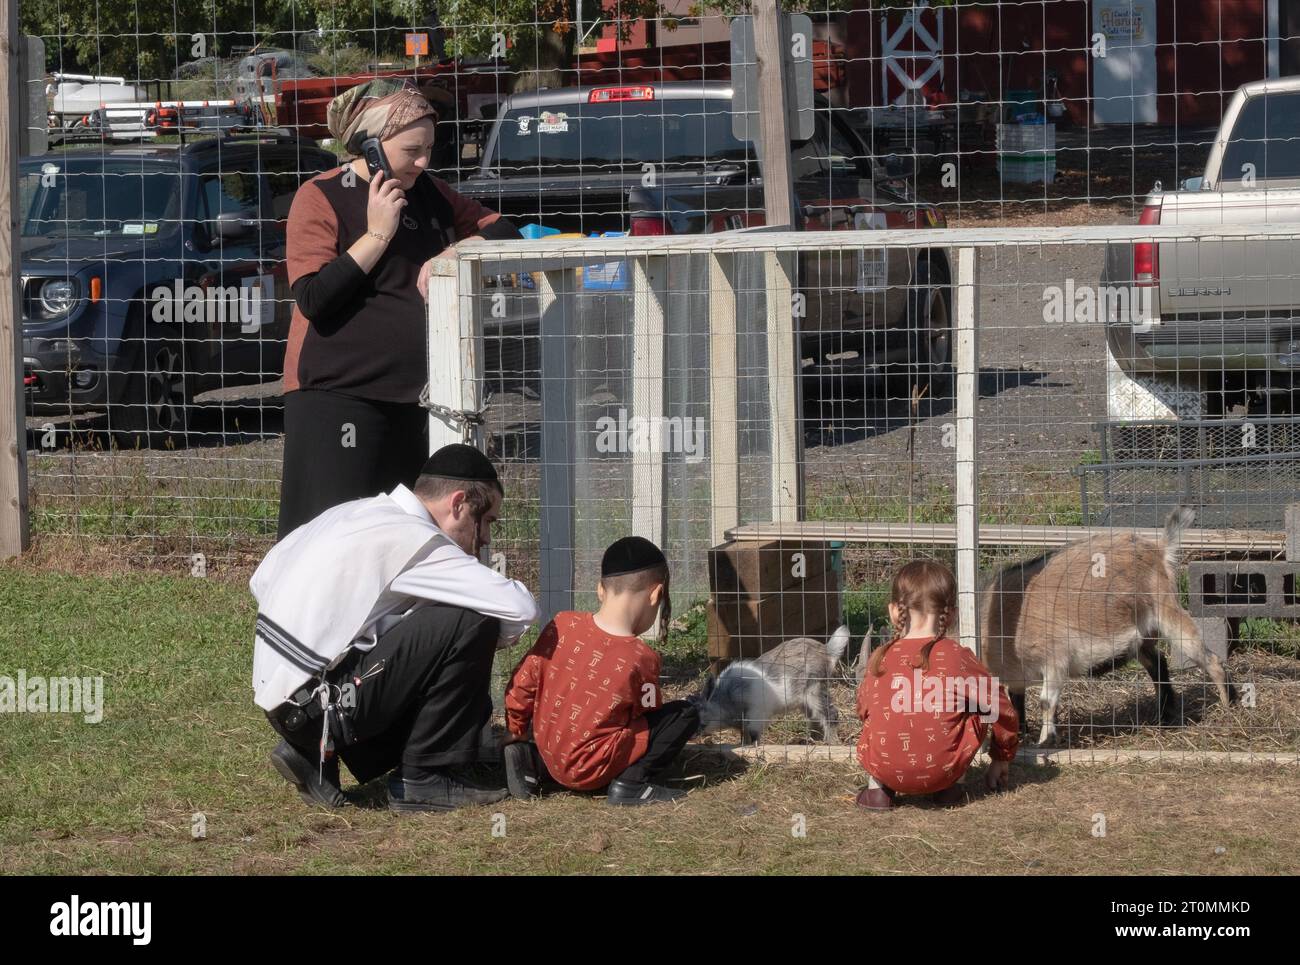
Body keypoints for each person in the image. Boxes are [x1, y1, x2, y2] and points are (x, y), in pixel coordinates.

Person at [277, 78, 521, 538]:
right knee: (332, 537)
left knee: (400, 537)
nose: (424, 161)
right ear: (371, 143)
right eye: (412, 149)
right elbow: (314, 298)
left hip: (413, 398)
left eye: (430, 147)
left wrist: (454, 253)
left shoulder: (430, 192)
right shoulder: (322, 195)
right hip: (338, 395)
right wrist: (377, 234)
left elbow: (503, 229)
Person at [252, 443, 539, 813]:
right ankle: (425, 778)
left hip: (287, 702)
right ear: (459, 504)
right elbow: (519, 607)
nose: (485, 539)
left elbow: (262, 579)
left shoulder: (353, 511)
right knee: (473, 619)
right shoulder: (416, 539)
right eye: (486, 522)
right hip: (320, 707)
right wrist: (476, 645)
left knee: (439, 622)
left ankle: (314, 750)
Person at [502, 537, 700, 806]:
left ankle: (532, 762)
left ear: (600, 589)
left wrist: (516, 727)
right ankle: (631, 784)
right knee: (684, 714)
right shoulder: (642, 657)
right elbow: (649, 714)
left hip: (553, 754)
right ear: (656, 594)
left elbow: (522, 684)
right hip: (596, 769)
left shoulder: (562, 625)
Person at [855, 560, 1020, 811]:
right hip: (943, 770)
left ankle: (878, 790)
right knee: (979, 705)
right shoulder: (958, 656)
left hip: (885, 766)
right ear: (951, 614)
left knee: (875, 716)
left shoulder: (879, 657)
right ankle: (949, 788)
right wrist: (1001, 755)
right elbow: (1000, 706)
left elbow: (862, 710)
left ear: (893, 611)